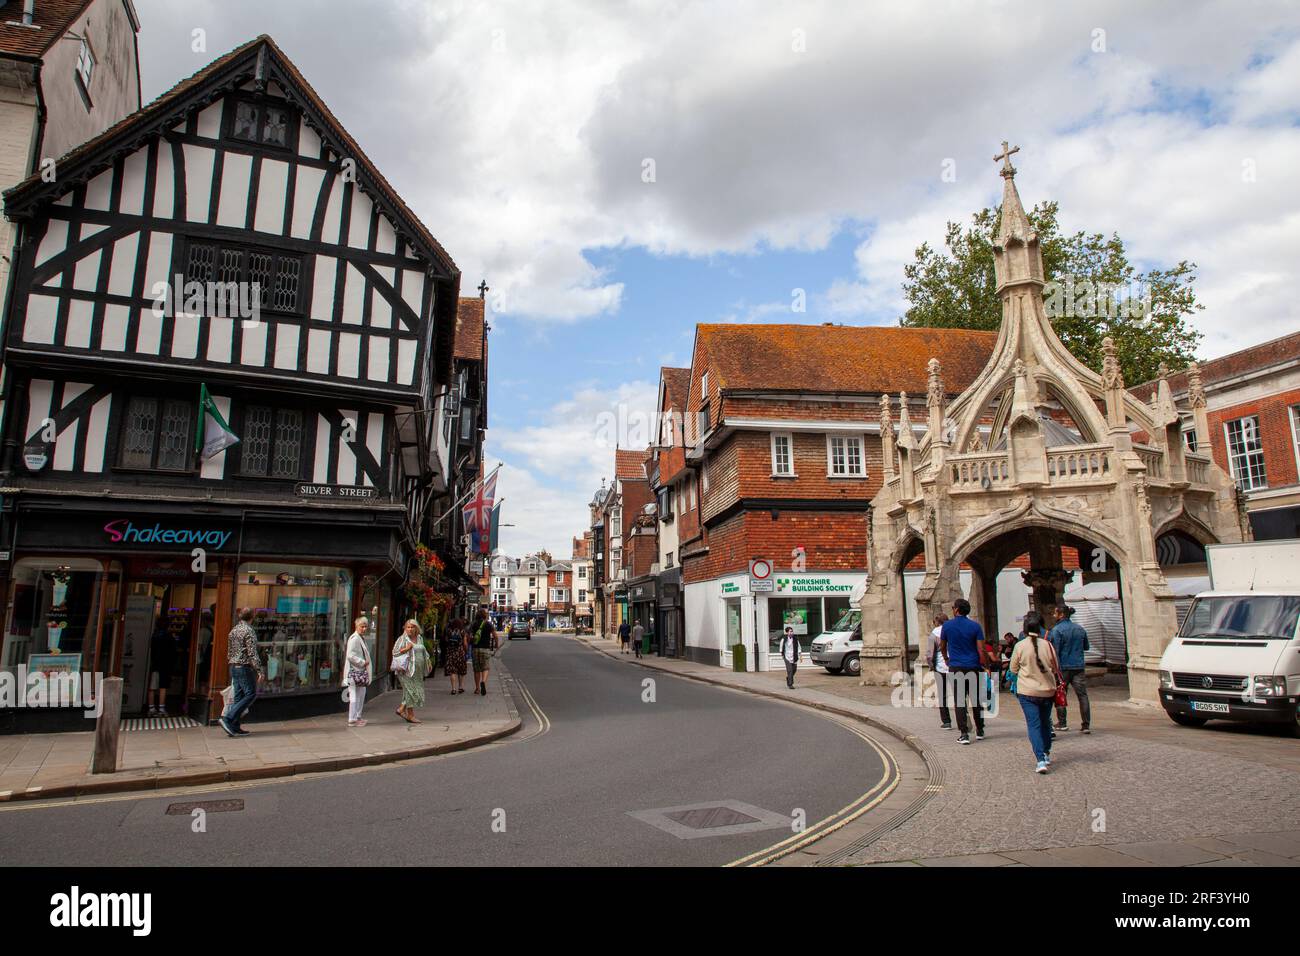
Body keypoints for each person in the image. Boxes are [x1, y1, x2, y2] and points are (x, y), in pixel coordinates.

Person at [1009, 611, 1062, 773]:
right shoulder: (1048, 645)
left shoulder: (1020, 646)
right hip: (1047, 690)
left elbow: (1013, 669)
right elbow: (1056, 668)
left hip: (1027, 691)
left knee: (1034, 724)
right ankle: (1046, 752)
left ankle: (1040, 760)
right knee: (1046, 721)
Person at [939, 598, 990, 744]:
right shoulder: (975, 626)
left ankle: (964, 734)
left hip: (956, 666)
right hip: (973, 666)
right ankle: (980, 729)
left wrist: (946, 659)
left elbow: (942, 646)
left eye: (953, 607)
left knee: (960, 700)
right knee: (976, 700)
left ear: (956, 610)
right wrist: (986, 666)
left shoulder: (947, 626)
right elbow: (982, 649)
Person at [220, 607, 262, 737]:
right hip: (244, 667)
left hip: (233, 666)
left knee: (238, 696)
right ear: (252, 617)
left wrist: (232, 662)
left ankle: (234, 726)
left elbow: (230, 650)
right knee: (251, 693)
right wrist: (260, 670)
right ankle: (228, 718)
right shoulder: (249, 631)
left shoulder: (234, 630)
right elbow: (252, 653)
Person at [1049, 604, 1091, 733]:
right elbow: (1086, 647)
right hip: (1078, 665)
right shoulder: (1080, 629)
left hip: (1063, 667)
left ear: (1061, 615)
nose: (1053, 615)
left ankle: (1062, 722)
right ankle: (1086, 725)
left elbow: (1055, 651)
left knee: (1061, 694)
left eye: (1055, 613)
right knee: (1082, 695)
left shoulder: (1057, 630)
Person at [393, 619, 431, 723]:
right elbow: (395, 652)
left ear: (416, 628)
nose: (410, 629)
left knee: (413, 690)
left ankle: (401, 709)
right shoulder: (402, 639)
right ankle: (410, 715)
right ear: (405, 628)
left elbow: (424, 651)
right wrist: (406, 649)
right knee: (410, 691)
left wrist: (428, 661)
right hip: (406, 670)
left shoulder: (419, 638)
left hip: (418, 670)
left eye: (412, 627)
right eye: (408, 627)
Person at [342, 616, 373, 727]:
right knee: (354, 695)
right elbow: (350, 655)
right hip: (354, 672)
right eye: (362, 626)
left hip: (358, 672)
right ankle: (352, 719)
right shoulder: (354, 638)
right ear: (356, 626)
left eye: (365, 626)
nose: (364, 629)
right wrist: (362, 662)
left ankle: (357, 717)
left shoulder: (359, 637)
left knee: (361, 693)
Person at [926, 613, 951, 729]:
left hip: (940, 667)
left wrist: (931, 666)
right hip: (954, 665)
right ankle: (964, 718)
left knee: (943, 694)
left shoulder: (933, 634)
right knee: (959, 693)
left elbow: (930, 655)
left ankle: (946, 722)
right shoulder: (952, 630)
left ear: (936, 622)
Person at [147, 620, 176, 717]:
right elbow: (173, 652)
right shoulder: (170, 637)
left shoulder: (154, 636)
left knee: (152, 687)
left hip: (155, 664)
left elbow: (152, 650)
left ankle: (151, 708)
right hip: (166, 665)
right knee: (163, 687)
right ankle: (161, 709)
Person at [471, 609, 497, 696]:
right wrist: (496, 645)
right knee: (485, 668)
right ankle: (483, 682)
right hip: (485, 649)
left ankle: (477, 688)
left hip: (475, 649)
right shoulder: (488, 624)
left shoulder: (473, 624)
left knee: (476, 669)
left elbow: (468, 636)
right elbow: (495, 635)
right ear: (484, 615)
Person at [445, 618, 468, 694]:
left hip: (451, 652)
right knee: (461, 671)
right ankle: (460, 687)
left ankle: (453, 688)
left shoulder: (449, 631)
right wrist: (466, 650)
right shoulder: (462, 631)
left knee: (452, 671)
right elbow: (465, 643)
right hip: (460, 652)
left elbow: (446, 640)